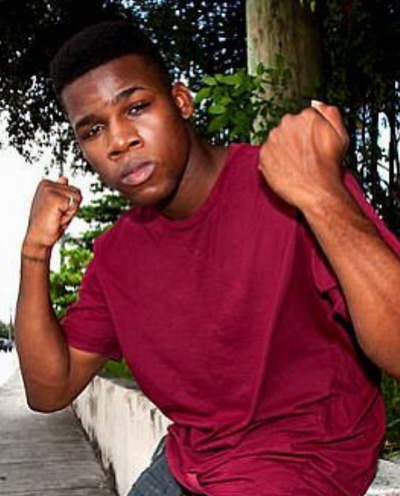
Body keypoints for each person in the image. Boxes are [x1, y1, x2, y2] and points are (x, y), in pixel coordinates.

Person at [15, 20, 400, 496]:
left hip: (302, 464)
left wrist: (322, 196)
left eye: (136, 107)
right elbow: (49, 390)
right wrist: (35, 252)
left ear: (181, 102)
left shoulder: (290, 184)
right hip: (191, 462)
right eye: (93, 130)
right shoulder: (117, 256)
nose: (119, 141)